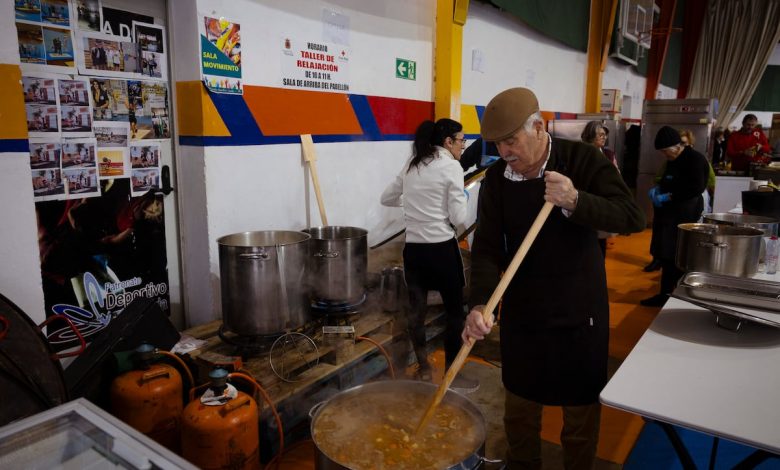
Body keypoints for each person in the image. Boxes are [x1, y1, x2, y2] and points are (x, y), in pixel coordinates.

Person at [462, 88, 645, 469]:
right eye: (498, 144)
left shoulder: (582, 159)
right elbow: (487, 250)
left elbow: (631, 217)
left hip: (579, 312)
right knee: (519, 413)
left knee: (578, 417)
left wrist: (576, 200)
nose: (505, 152)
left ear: (539, 126)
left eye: (512, 141)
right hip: (524, 312)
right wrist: (479, 302)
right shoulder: (497, 179)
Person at [380, 118, 477, 392]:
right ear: (448, 142)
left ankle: (423, 368)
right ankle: (451, 376)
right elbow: (460, 217)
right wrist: (463, 201)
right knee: (455, 314)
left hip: (414, 253)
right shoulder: (451, 167)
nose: (462, 146)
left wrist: (412, 203)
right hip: (442, 252)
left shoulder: (413, 164)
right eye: (461, 140)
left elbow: (386, 198)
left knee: (416, 313)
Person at [640, 126, 710, 307]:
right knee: (665, 254)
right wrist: (658, 190)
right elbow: (667, 179)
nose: (664, 154)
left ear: (676, 146)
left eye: (665, 151)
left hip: (684, 215)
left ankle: (678, 295)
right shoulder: (673, 160)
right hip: (667, 214)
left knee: (678, 255)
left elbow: (696, 188)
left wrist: (669, 196)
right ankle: (664, 294)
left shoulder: (696, 159)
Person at [580, 121, 619, 258]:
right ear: (590, 136)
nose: (604, 137)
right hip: (585, 200)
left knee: (600, 240)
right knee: (585, 238)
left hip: (603, 201)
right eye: (600, 135)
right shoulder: (581, 152)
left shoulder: (608, 154)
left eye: (605, 135)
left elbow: (616, 176)